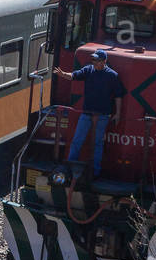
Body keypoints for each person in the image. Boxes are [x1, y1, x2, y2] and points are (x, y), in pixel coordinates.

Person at [54, 49, 126, 177]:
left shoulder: (112, 75)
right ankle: (70, 168)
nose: (94, 62)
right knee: (77, 140)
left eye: (96, 60)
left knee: (98, 143)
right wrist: (63, 74)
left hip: (103, 115)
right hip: (87, 112)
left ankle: (96, 171)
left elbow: (118, 96)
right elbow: (74, 76)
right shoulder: (88, 70)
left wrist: (118, 114)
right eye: (93, 59)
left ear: (104, 61)